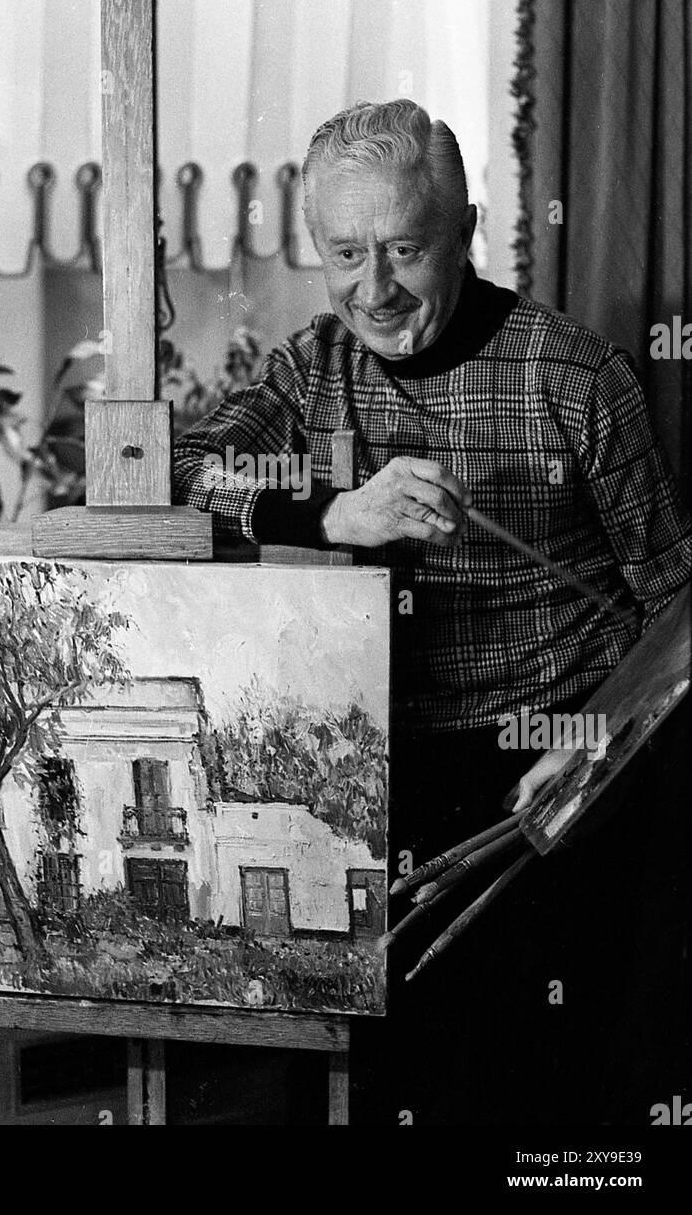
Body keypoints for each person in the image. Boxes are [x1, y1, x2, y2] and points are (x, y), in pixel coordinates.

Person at [173, 98, 692, 1123]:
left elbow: (680, 611)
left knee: (527, 1094)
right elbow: (187, 468)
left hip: (540, 786)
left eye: (407, 248)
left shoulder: (578, 378)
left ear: (465, 231)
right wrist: (333, 512)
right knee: (363, 1088)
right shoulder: (311, 367)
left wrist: (591, 746)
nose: (375, 287)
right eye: (346, 252)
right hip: (368, 783)